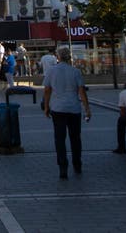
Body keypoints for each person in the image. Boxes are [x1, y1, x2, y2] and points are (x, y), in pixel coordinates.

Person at [43, 46, 91, 179]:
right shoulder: (75, 71)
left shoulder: (51, 71)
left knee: (60, 138)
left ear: (58, 57)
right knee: (75, 138)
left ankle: (63, 167)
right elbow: (81, 91)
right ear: (69, 57)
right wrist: (87, 109)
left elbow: (47, 90)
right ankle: (77, 164)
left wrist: (46, 107)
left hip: (58, 108)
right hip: (74, 108)